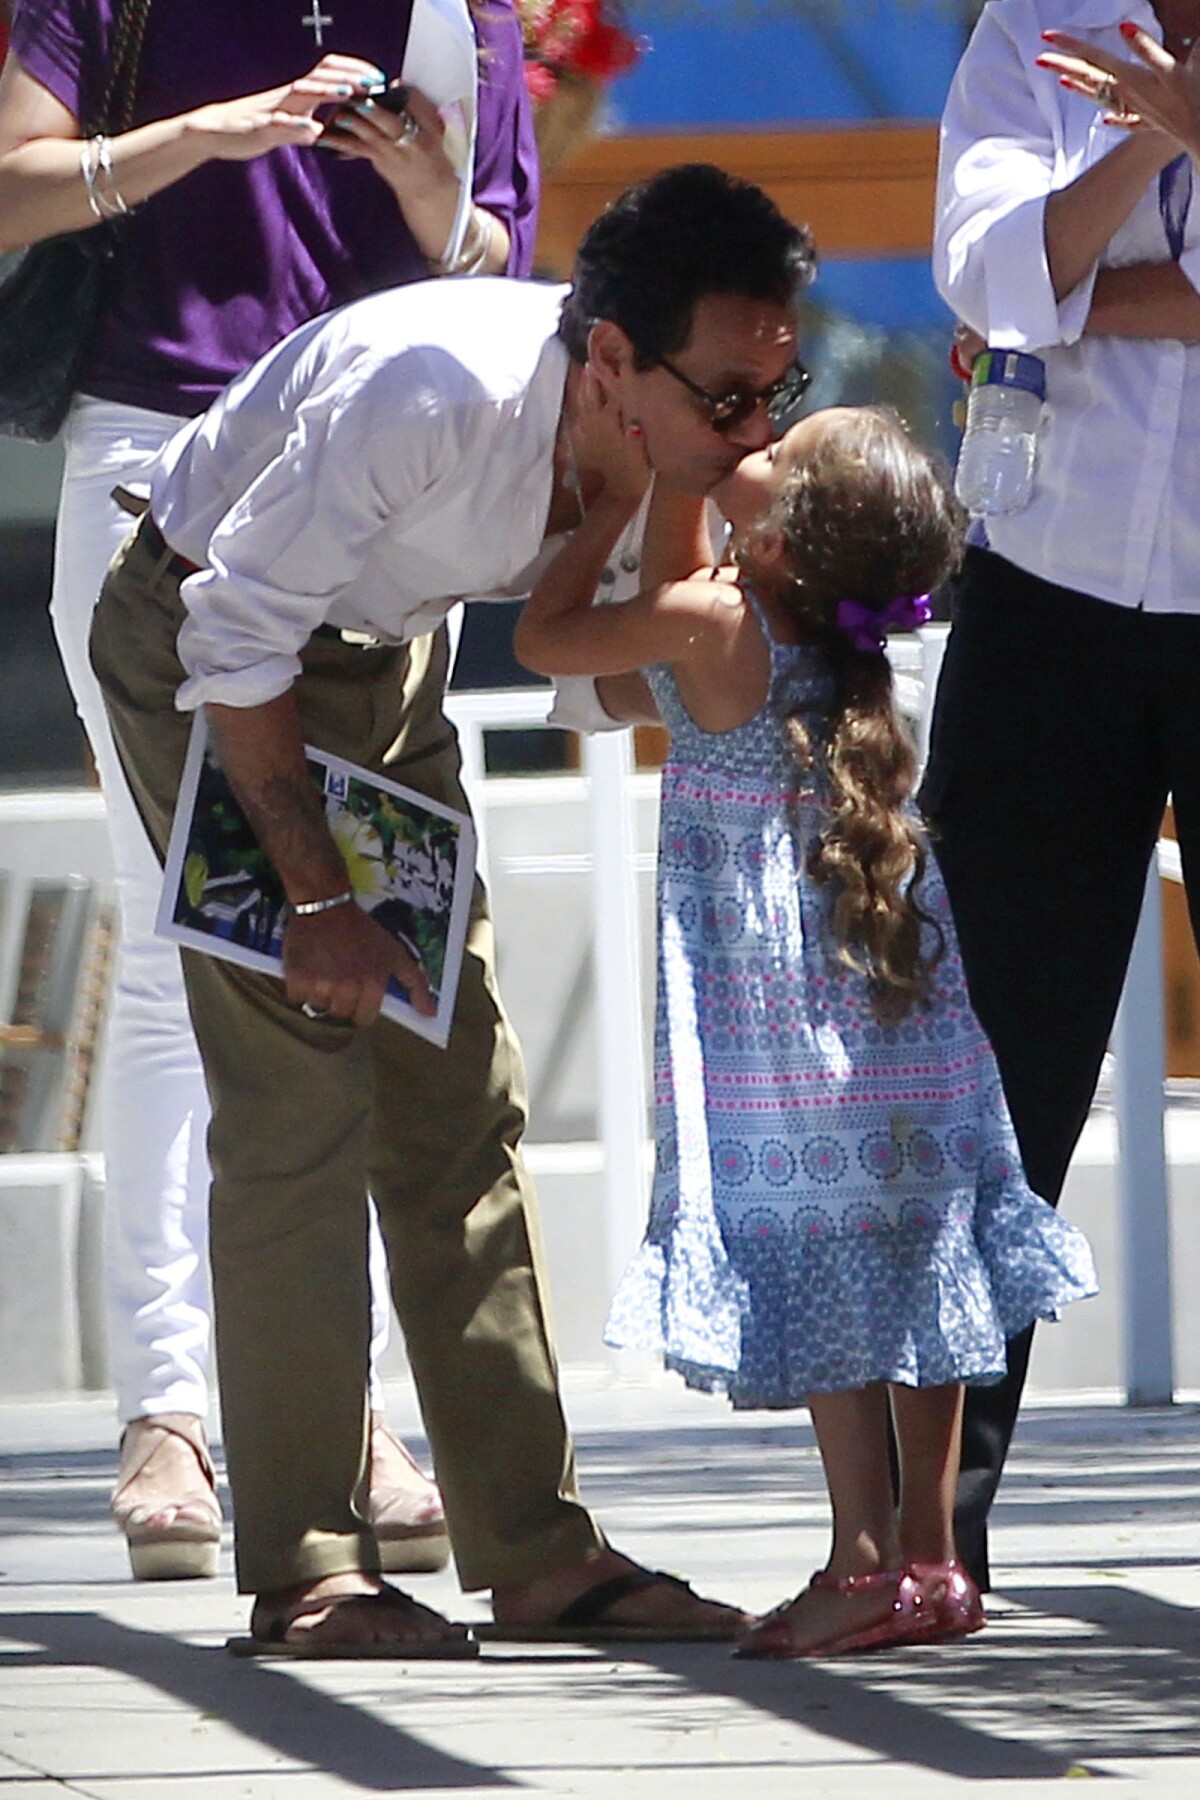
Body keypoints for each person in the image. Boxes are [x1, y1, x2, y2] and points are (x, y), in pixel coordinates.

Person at [87, 161, 813, 1653]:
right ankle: (307, 1567)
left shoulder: (661, 444)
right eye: (728, 398)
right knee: (301, 1084)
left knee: (459, 1097)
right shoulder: (433, 395)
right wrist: (312, 899)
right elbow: (231, 633)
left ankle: (539, 1552)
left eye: (776, 395)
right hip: (210, 649)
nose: (756, 433)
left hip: (383, 664)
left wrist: (754, 674)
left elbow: (584, 665)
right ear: (611, 359)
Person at [0, 0, 538, 1581]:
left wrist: (434, 195)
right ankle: (173, 1407)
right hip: (155, 460)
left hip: (381, 474)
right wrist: (198, 139)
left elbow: (505, 273)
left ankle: (346, 1412)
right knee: (185, 950)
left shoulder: (466, 16)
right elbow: (11, 184)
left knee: (375, 950)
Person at [513, 400, 1098, 1658]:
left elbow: (545, 639)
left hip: (789, 1018)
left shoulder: (717, 619)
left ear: (784, 539)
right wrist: (700, 490)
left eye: (774, 452)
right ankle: (935, 1560)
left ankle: (862, 1560)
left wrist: (637, 492)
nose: (750, 439)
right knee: (923, 1253)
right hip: (898, 1000)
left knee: (829, 1255)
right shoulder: (818, 640)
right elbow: (632, 658)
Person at [929, 0, 1200, 1596]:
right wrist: (1153, 136)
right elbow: (987, 282)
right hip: (1050, 593)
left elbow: (1059, 293)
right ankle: (936, 1520)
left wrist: (1099, 287)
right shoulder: (1037, 20)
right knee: (996, 1065)